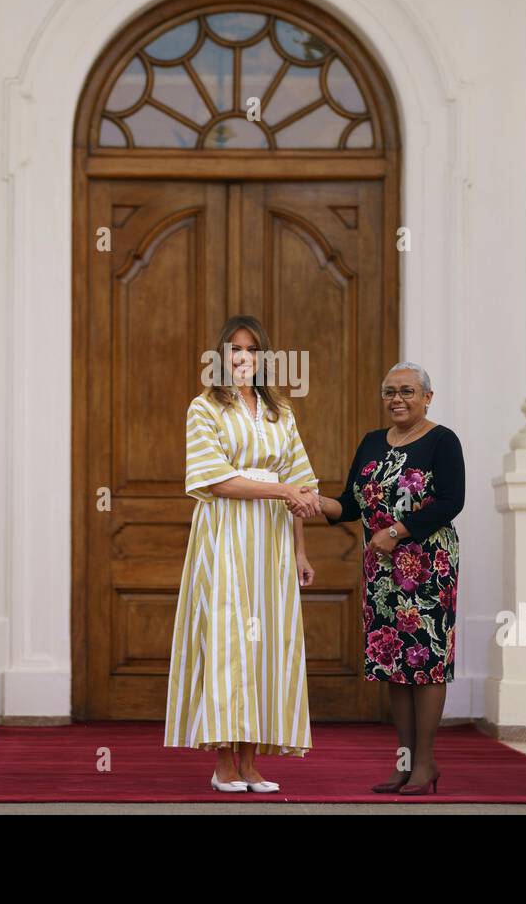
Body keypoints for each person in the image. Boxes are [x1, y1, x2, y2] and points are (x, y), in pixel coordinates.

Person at [163, 314, 321, 793]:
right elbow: (217, 480)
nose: (242, 358)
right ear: (220, 357)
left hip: (272, 542)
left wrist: (300, 552)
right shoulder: (204, 408)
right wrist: (283, 492)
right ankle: (222, 764)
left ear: (264, 358)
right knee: (229, 640)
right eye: (233, 350)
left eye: (251, 350)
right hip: (226, 536)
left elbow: (303, 485)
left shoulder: (281, 413)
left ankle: (251, 764)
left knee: (266, 643)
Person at [312, 362, 464, 795]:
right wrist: (312, 500)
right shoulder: (372, 443)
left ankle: (426, 763)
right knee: (394, 661)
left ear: (427, 397)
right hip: (381, 569)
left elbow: (452, 500)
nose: (397, 399)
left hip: (428, 566)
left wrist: (397, 532)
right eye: (390, 392)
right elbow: (350, 504)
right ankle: (404, 762)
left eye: (408, 391)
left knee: (425, 662)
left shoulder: (442, 441)